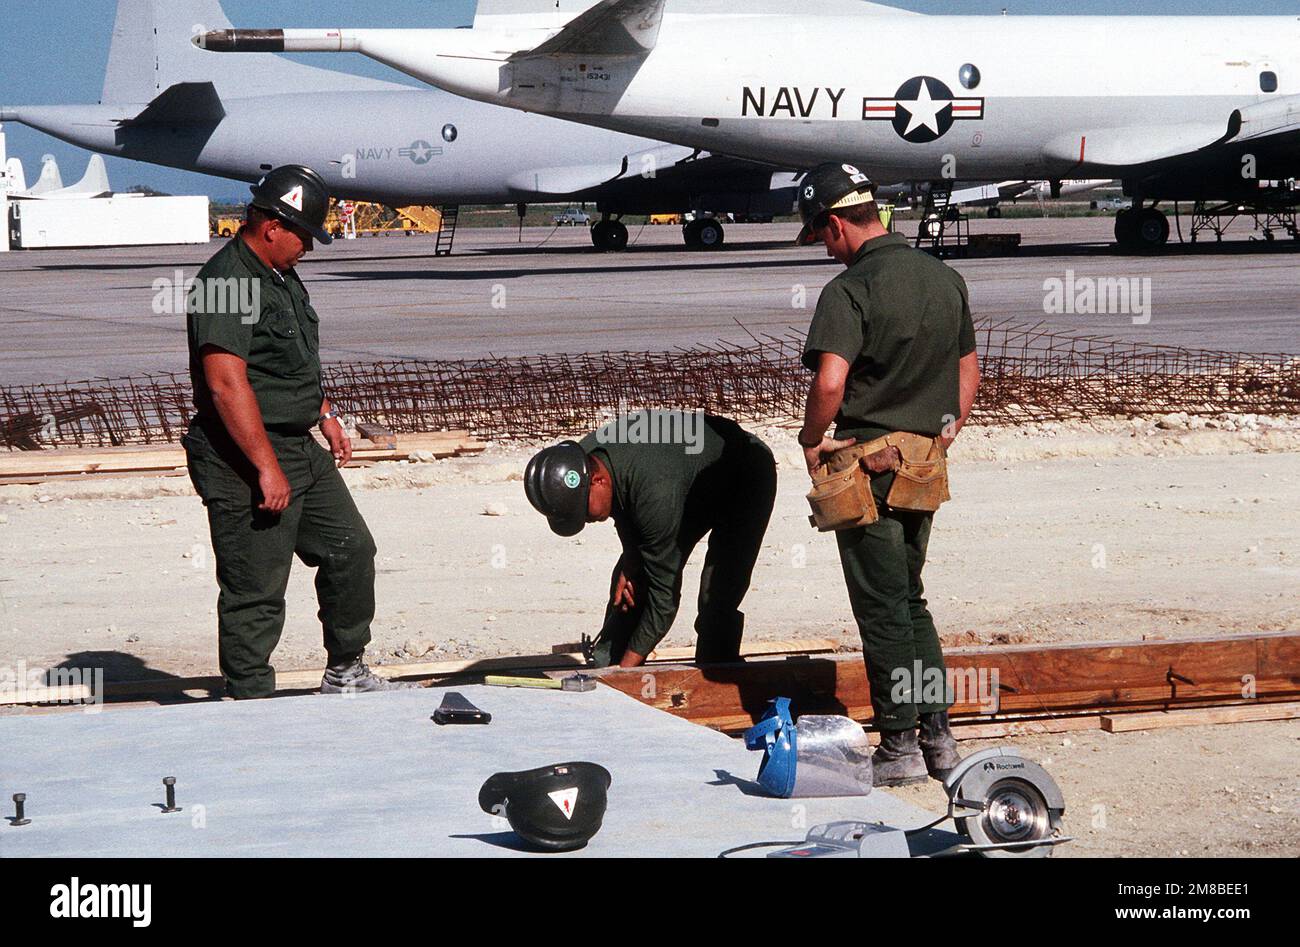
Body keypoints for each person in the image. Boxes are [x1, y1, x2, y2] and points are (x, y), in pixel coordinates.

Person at [183, 165, 403, 698]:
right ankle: (251, 698)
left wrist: (326, 414)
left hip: (296, 445)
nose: (309, 246)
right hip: (241, 455)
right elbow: (226, 387)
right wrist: (265, 467)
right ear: (272, 226)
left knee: (351, 550)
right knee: (257, 586)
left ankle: (345, 669)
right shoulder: (225, 282)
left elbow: (292, 360)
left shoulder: (279, 273)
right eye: (304, 234)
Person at [795, 162, 982, 785]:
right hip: (924, 465)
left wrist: (812, 437)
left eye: (821, 232)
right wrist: (944, 430)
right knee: (911, 599)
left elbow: (829, 382)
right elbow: (969, 371)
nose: (824, 246)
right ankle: (939, 740)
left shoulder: (850, 290)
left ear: (835, 221)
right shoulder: (943, 277)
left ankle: (899, 746)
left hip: (867, 471)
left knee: (881, 609)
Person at [525, 411, 777, 668]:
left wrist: (626, 675)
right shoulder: (582, 458)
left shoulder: (654, 495)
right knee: (633, 579)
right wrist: (632, 558)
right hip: (683, 480)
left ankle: (718, 669)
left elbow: (664, 601)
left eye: (582, 512)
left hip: (744, 476)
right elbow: (622, 502)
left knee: (717, 593)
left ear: (597, 481)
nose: (585, 520)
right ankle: (606, 661)